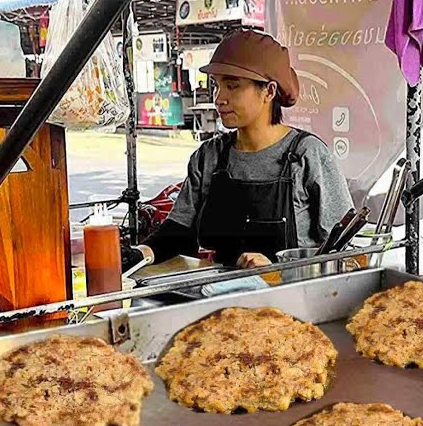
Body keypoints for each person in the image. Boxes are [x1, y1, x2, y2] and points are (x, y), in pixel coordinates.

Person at [123, 29, 353, 269]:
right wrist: (139, 254)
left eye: (232, 86)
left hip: (292, 297)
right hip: (217, 296)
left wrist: (278, 267)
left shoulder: (307, 155)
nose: (219, 98)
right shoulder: (209, 157)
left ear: (269, 91)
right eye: (216, 85)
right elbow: (179, 231)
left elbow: (342, 250)